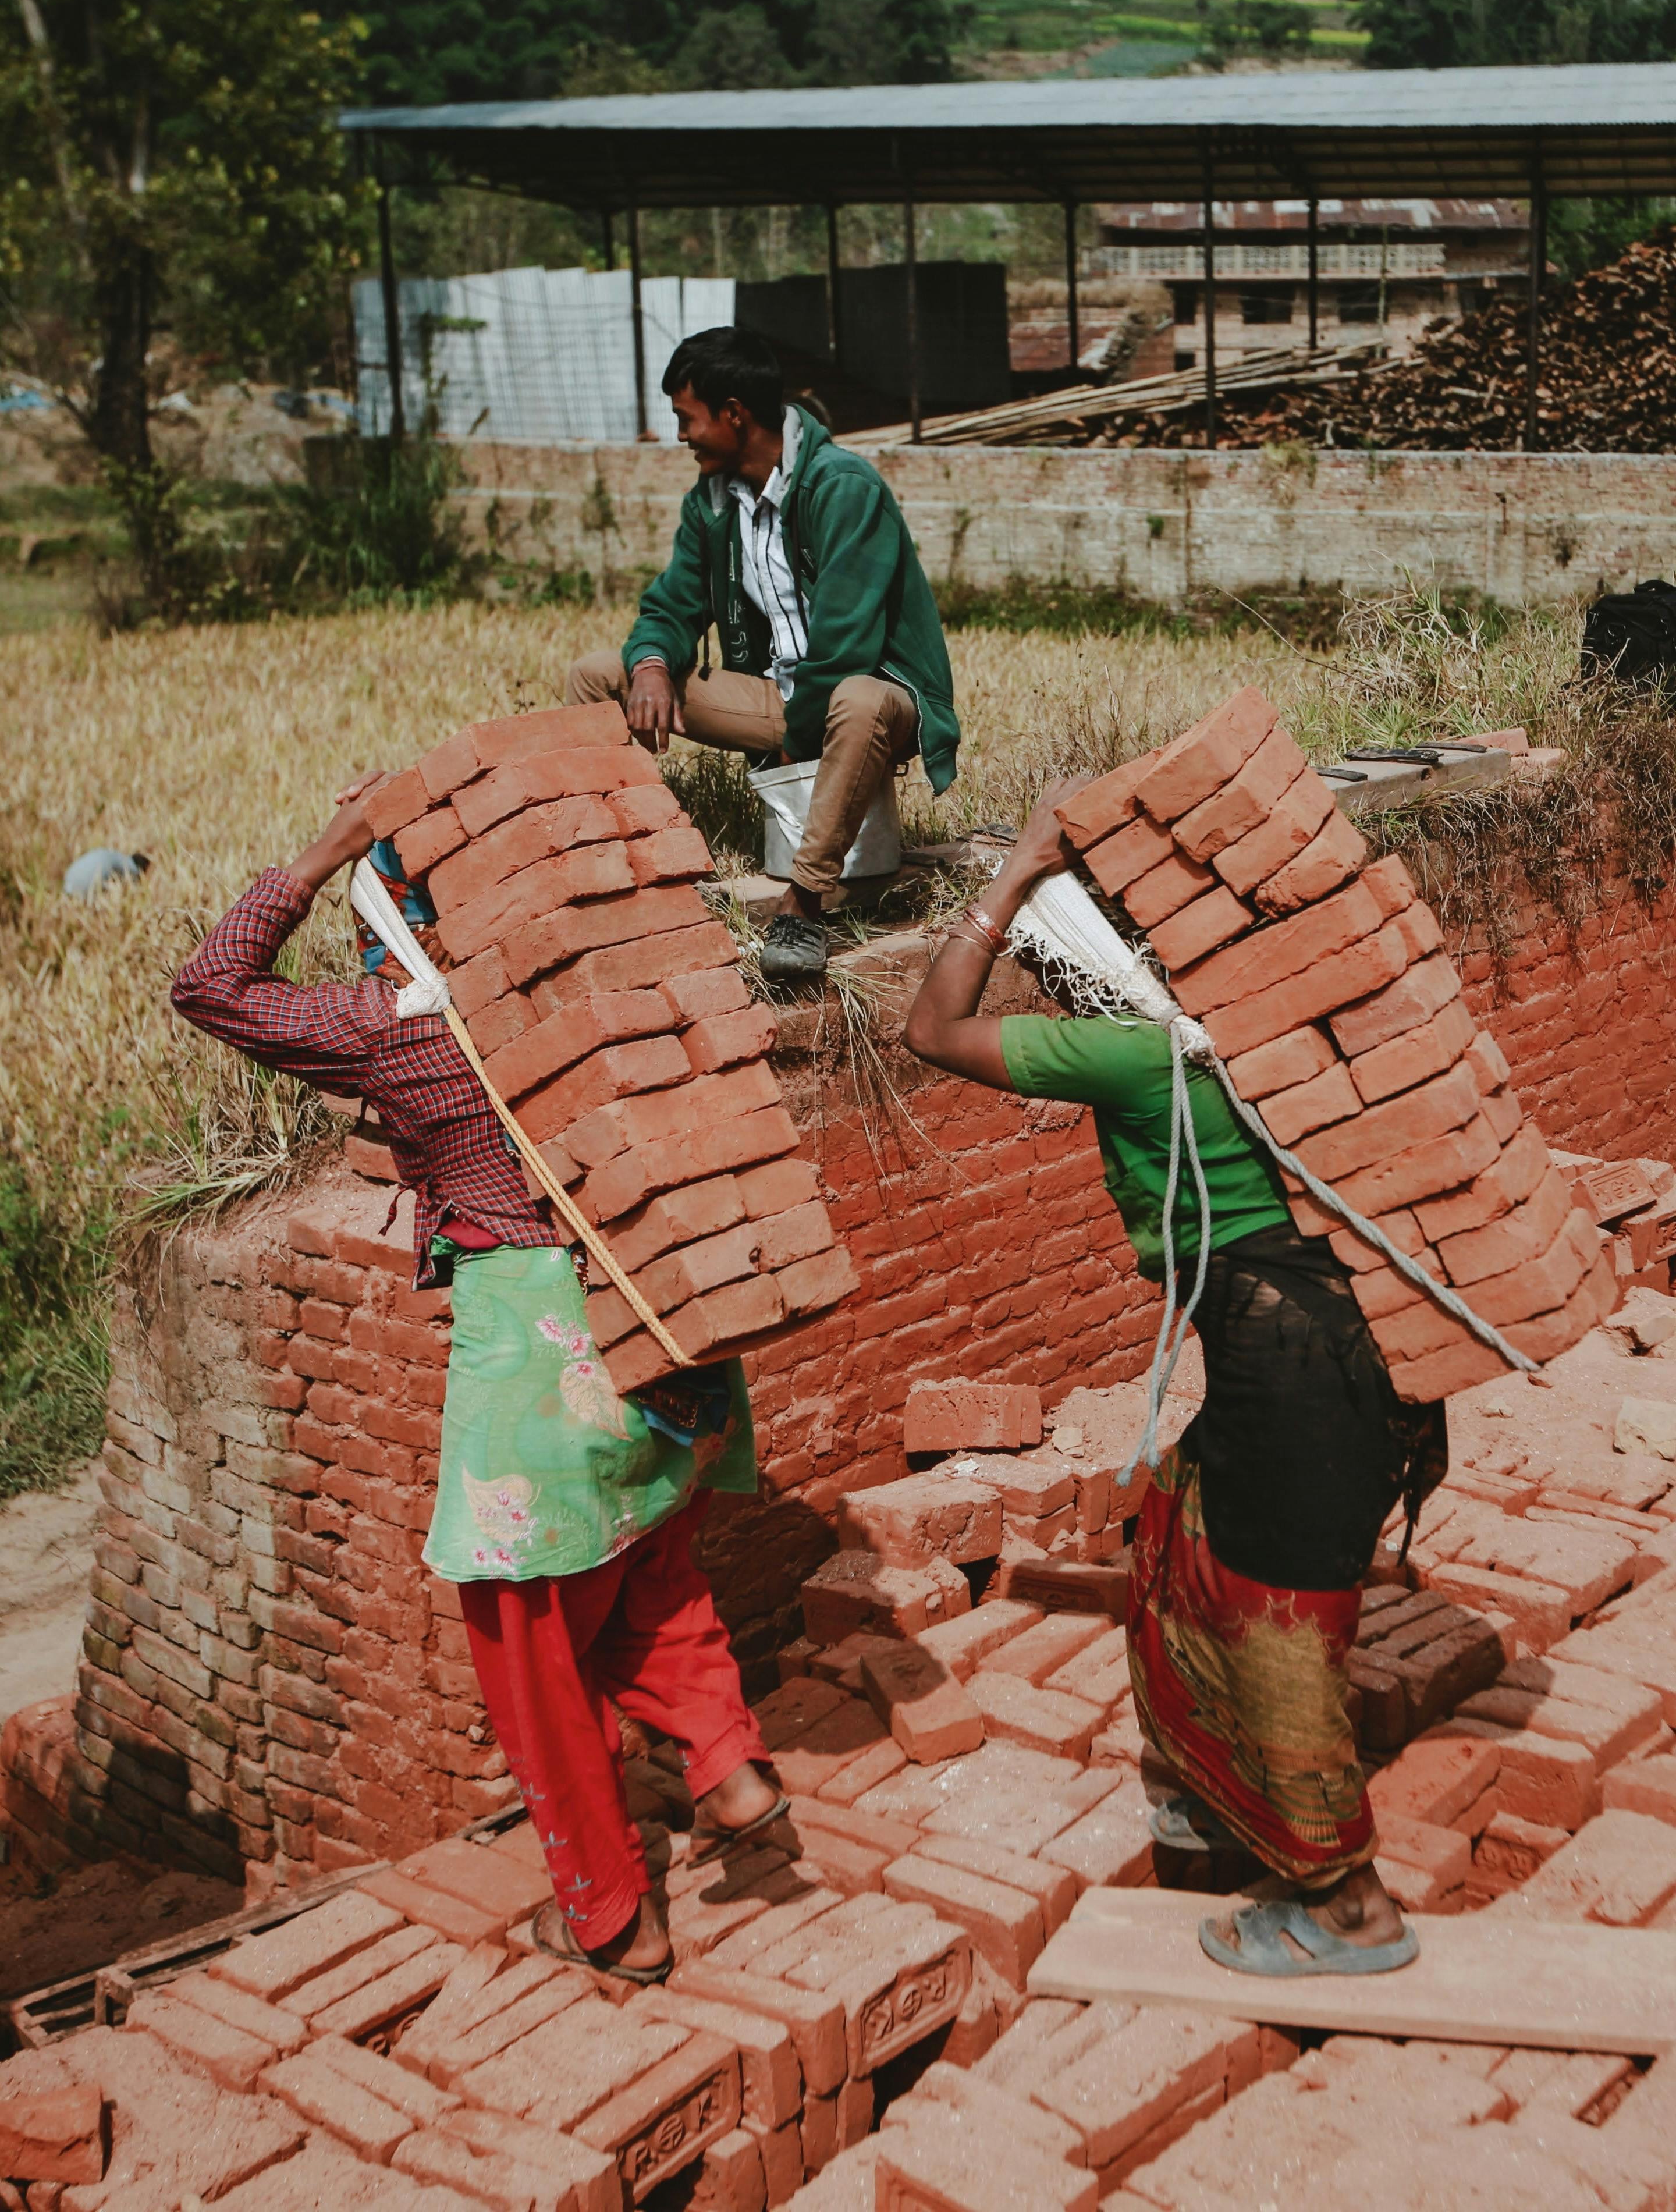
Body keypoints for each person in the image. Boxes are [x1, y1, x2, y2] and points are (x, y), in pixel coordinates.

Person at [170, 775, 791, 1983]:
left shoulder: (393, 1020)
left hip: (544, 1359)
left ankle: (614, 1916)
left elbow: (210, 989)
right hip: (668, 1338)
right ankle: (726, 1765)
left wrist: (324, 847)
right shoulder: (595, 978)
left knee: (529, 1644)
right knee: (645, 1564)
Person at [902, 789, 1447, 1979]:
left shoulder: (1140, 1050)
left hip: (1296, 1375)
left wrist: (1015, 877)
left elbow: (931, 1030)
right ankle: (1212, 1793)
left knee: (1279, 1624)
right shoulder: (1272, 1016)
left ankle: (1345, 1903)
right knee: (1173, 1536)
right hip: (1357, 1353)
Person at [567, 325, 960, 983]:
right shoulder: (714, 503)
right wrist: (653, 665)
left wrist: (793, 741)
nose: (681, 436)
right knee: (598, 675)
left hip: (878, 699)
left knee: (854, 700)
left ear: (734, 415)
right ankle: (618, 868)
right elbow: (671, 605)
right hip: (784, 704)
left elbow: (846, 649)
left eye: (686, 419)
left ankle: (803, 908)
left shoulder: (843, 488)